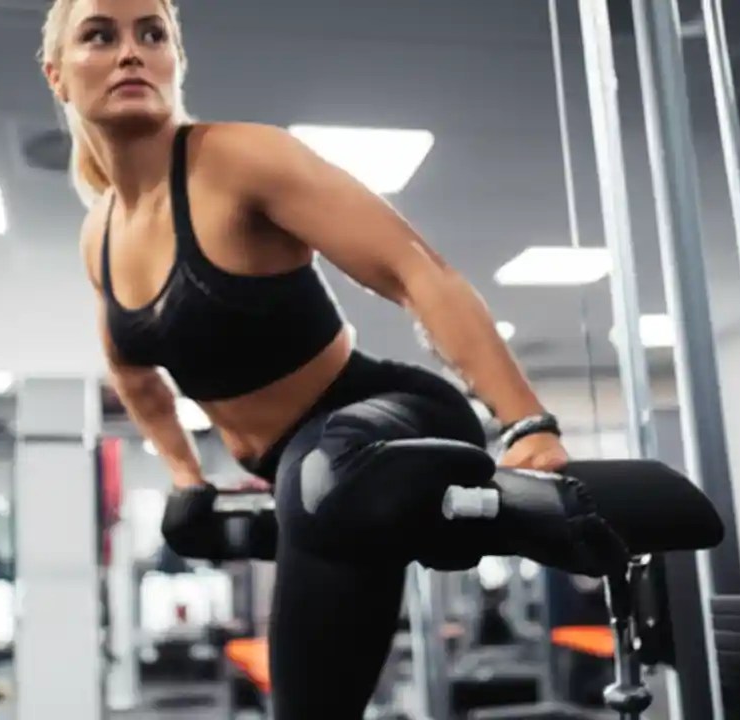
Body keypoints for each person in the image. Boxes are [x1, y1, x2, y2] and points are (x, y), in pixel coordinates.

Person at [41, 2, 606, 716]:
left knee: (321, 473)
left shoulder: (238, 161)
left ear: (175, 61)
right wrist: (186, 477)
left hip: (389, 420)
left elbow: (415, 269)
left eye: (151, 34)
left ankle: (468, 507)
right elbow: (133, 374)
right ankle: (415, 516)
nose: (131, 51)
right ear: (57, 74)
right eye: (100, 35)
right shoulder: (99, 234)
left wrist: (528, 424)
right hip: (306, 475)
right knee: (310, 485)